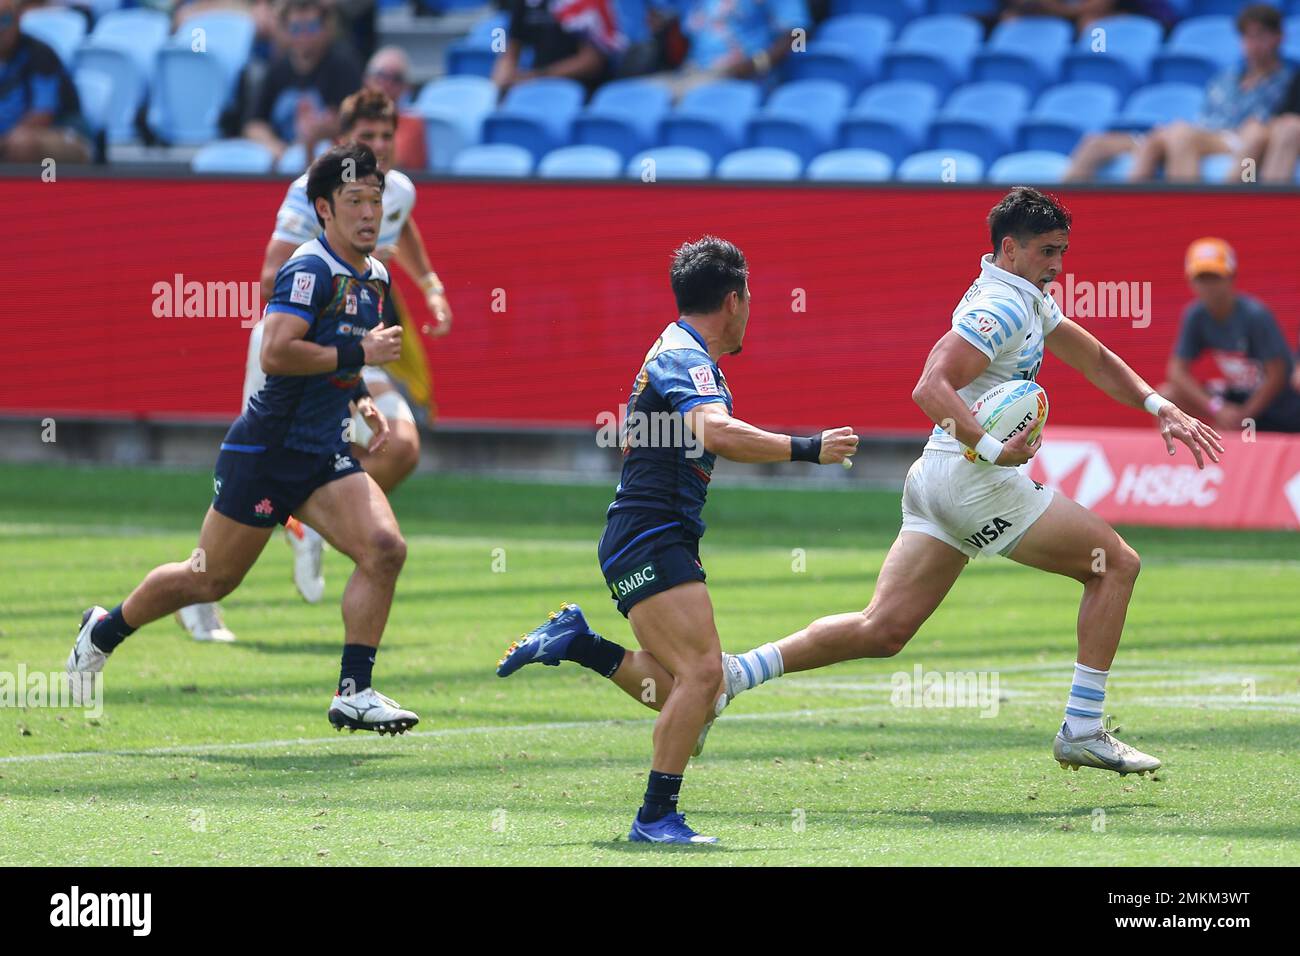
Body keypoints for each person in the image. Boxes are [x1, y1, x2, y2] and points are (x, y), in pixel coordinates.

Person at [699, 191, 1221, 788]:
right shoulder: (1001, 305)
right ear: (1008, 248)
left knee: (882, 629)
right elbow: (929, 387)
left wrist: (1158, 405)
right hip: (976, 480)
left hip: (937, 478)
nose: (1058, 264)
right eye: (1047, 251)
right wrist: (993, 448)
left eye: (1063, 252)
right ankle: (1082, 727)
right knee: (1116, 565)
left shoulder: (1025, 297)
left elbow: (1094, 357)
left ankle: (732, 675)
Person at [494, 236, 859, 845]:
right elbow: (714, 430)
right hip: (649, 534)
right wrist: (807, 449)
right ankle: (655, 818)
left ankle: (579, 643)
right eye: (750, 301)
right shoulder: (681, 355)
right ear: (734, 300)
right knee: (702, 676)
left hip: (655, 535)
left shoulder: (686, 355)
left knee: (696, 691)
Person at [68, 144, 420, 737]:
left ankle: (354, 691)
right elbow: (276, 352)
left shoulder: (376, 275)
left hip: (323, 455)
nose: (369, 213)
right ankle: (103, 629)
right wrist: (361, 355)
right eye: (354, 201)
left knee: (385, 549)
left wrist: (360, 396)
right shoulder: (309, 269)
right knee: (207, 579)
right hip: (266, 453)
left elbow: (341, 348)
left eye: (376, 201)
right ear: (323, 210)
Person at [177, 88, 453, 643]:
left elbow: (404, 224)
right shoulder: (312, 196)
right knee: (245, 487)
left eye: (385, 136)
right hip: (295, 349)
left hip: (356, 347)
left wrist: (429, 285)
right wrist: (326, 294)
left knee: (401, 445)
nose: (379, 148)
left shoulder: (394, 192)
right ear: (343, 144)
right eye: (367, 138)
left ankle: (308, 521)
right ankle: (200, 595)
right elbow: (268, 274)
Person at [1064, 4, 1291, 184]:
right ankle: (1058, 225)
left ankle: (1188, 221)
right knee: (1095, 143)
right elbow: (1204, 117)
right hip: (1206, 132)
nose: (1252, 44)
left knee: (1181, 135)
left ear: (1278, 38)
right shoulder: (1227, 76)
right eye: (1247, 37)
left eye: (1260, 36)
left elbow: (1266, 129)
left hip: (1233, 137)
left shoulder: (1289, 79)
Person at [1159, 238, 1300, 434]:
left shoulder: (1255, 315)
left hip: (1275, 404)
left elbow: (1277, 375)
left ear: (1231, 276)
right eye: (1202, 278)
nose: (1208, 286)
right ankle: (1178, 460)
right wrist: (1216, 408)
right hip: (1235, 397)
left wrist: (1245, 414)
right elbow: (1176, 371)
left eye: (1215, 277)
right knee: (1166, 396)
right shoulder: (1195, 316)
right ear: (1190, 281)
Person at [242, 0, 363, 163]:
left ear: (326, 27)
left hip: (327, 153)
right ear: (285, 30)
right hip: (282, 153)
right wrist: (274, 146)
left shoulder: (343, 65)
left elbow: (354, 123)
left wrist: (322, 129)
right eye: (296, 28)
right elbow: (254, 125)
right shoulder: (277, 68)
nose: (304, 35)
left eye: (311, 27)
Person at [646, 0, 810, 98]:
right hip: (692, 71)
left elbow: (801, 35)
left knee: (687, 97)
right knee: (640, 96)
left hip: (741, 75)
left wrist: (758, 63)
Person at [0, 0, 91, 163]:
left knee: (22, 144)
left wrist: (3, 141)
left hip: (63, 133)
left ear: (19, 18)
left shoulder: (40, 55)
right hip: (8, 138)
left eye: (4, 20)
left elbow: (42, 116)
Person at [491, 0, 627, 93]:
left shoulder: (585, 3)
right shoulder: (525, 3)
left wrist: (538, 77)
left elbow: (592, 61)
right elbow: (509, 52)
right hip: (536, 87)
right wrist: (500, 81)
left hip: (583, 91)